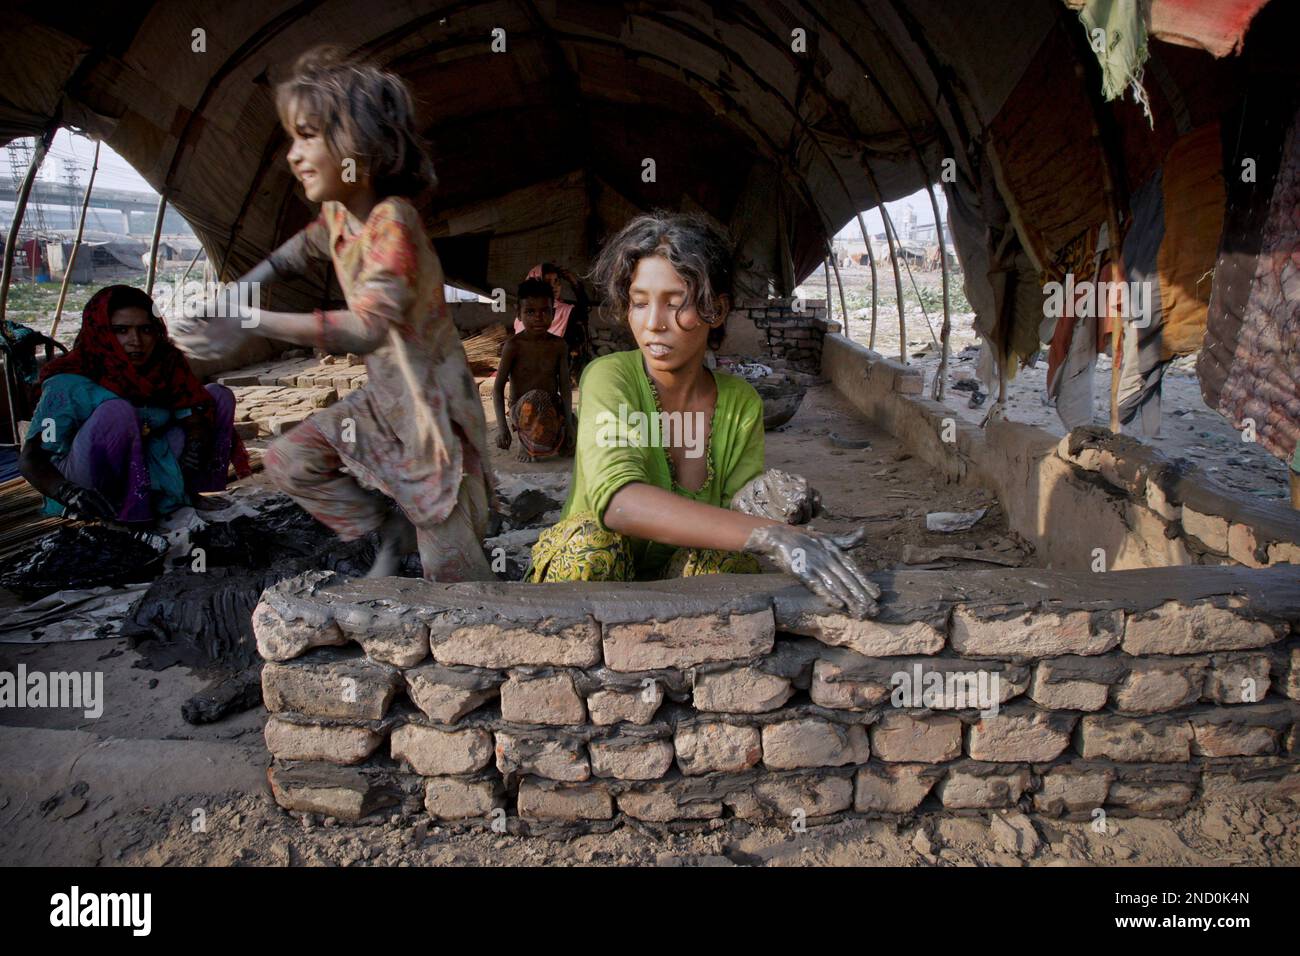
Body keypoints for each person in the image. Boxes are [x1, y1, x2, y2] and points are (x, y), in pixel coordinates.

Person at [174, 47, 492, 582]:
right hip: (381, 403)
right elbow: (294, 253)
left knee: (455, 577)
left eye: (306, 135)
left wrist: (250, 321)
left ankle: (482, 642)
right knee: (288, 461)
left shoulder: (394, 222)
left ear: (358, 148)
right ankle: (386, 529)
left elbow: (368, 329)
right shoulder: (338, 217)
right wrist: (237, 293)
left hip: (429, 414)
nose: (292, 155)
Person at [525, 212, 878, 616]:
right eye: (639, 303)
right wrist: (772, 535)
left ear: (716, 309)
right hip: (591, 588)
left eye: (675, 304)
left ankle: (693, 666)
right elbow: (619, 504)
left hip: (675, 591)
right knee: (591, 543)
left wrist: (771, 501)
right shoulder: (610, 378)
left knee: (728, 562)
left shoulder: (739, 402)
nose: (653, 324)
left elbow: (735, 510)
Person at [18, 284, 246, 523]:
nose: (135, 340)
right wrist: (67, 492)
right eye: (121, 330)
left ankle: (184, 494)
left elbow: (191, 411)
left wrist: (196, 442)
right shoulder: (70, 382)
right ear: (101, 332)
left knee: (218, 397)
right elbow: (32, 457)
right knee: (117, 412)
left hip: (147, 463)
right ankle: (122, 510)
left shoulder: (164, 366)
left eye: (145, 329)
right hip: (83, 483)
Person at [494, 277, 574, 462]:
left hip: (550, 406)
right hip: (523, 409)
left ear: (553, 313)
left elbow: (565, 387)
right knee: (536, 398)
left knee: (574, 437)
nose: (538, 317)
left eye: (544, 311)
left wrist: (569, 424)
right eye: (530, 311)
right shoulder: (513, 346)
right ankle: (525, 440)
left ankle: (550, 437)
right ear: (519, 314)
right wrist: (502, 427)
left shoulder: (559, 345)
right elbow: (497, 389)